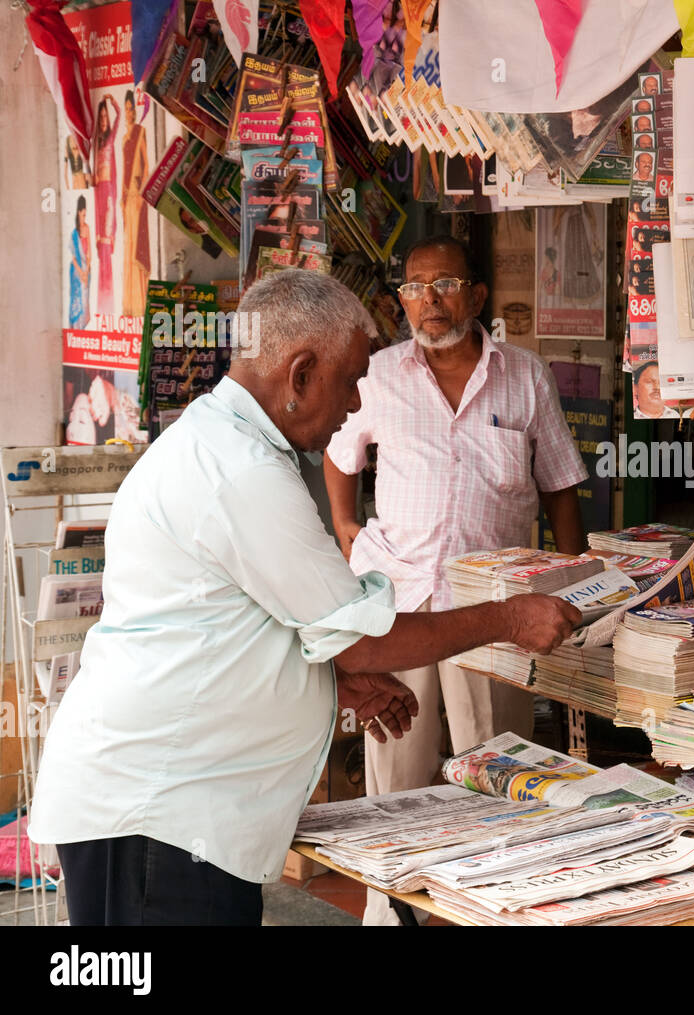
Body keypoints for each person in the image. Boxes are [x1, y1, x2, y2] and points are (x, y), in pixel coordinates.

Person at [28, 270, 580, 926]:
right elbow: (364, 639)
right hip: (159, 819)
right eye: (350, 383)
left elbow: (229, 625)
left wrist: (317, 682)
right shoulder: (241, 471)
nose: (354, 406)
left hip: (163, 812)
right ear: (300, 374)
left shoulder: (219, 444)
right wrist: (509, 615)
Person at [323, 238, 587, 925]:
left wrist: (581, 588)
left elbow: (560, 487)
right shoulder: (379, 374)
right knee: (396, 784)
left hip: (493, 614)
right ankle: (389, 915)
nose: (429, 300)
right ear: (401, 299)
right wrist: (348, 531)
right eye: (415, 287)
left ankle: (490, 909)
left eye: (444, 284)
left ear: (475, 296)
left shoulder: (525, 376)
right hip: (398, 604)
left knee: (495, 771)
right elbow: (339, 456)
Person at [120, 91, 151, 318]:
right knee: (129, 248)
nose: (129, 113)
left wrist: (142, 195)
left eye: (132, 109)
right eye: (126, 109)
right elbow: (123, 168)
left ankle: (142, 303)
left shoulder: (141, 133)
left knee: (137, 248)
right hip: (126, 198)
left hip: (138, 195)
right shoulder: (124, 138)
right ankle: (131, 306)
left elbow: (147, 165)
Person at [93, 95, 120, 313]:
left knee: (108, 234)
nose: (103, 120)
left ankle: (108, 285)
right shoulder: (98, 143)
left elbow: (119, 117)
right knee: (100, 235)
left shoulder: (110, 138)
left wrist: (112, 103)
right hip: (99, 190)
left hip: (108, 189)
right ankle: (102, 286)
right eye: (100, 117)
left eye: (105, 117)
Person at [69, 196, 91, 328]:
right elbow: (73, 258)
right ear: (78, 213)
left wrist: (86, 271)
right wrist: (81, 272)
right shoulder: (74, 233)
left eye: (86, 215)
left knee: (86, 300)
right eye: (83, 215)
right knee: (77, 301)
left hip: (86, 270)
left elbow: (89, 254)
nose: (84, 218)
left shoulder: (87, 228)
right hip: (76, 272)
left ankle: (82, 329)